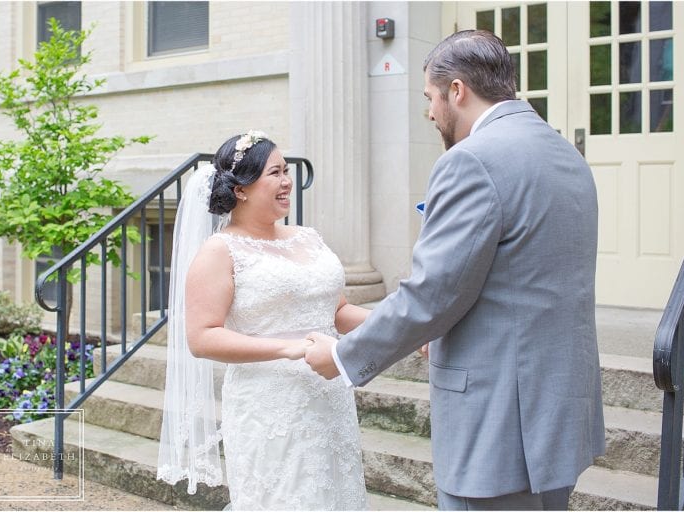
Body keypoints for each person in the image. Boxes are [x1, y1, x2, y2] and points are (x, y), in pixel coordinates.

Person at [305, 30, 606, 510]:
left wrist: (343, 357)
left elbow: (431, 293)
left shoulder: (471, 161)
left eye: (429, 96)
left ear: (458, 90)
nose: (429, 112)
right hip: (561, 413)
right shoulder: (566, 154)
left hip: (499, 424)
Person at [157, 131, 369, 510]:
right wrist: (289, 349)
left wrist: (401, 324)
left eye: (286, 170)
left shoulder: (308, 238)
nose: (287, 181)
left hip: (330, 399)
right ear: (241, 189)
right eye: (275, 173)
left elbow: (337, 312)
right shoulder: (220, 251)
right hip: (268, 410)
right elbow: (202, 338)